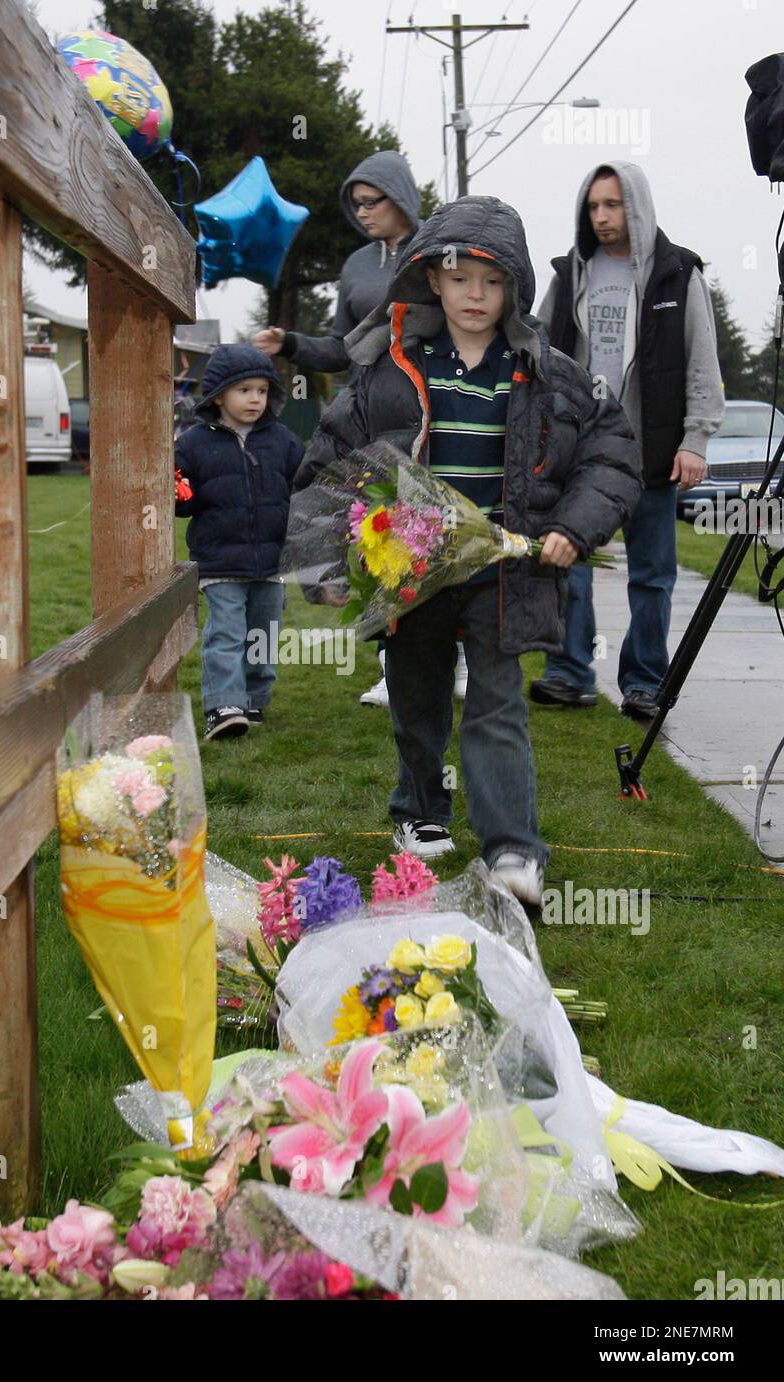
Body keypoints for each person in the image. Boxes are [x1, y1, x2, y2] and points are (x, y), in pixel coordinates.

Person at [294, 196, 641, 904]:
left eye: (490, 281)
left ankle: (513, 850)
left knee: (496, 706)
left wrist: (572, 529)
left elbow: (612, 453)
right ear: (431, 281)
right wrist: (327, 563)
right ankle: (421, 815)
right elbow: (328, 460)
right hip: (410, 575)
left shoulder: (549, 373)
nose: (474, 295)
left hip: (505, 573)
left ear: (512, 287)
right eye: (458, 280)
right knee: (415, 700)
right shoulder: (389, 368)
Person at [254, 151, 469, 706]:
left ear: (401, 196)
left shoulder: (437, 250)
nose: (363, 212)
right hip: (373, 416)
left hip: (435, 407)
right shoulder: (355, 266)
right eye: (356, 204)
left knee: (441, 531)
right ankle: (392, 664)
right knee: (381, 536)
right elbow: (342, 348)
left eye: (372, 201)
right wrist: (291, 344)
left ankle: (460, 658)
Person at [530, 162, 724, 719]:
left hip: (652, 449)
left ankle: (643, 683)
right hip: (582, 451)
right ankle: (570, 673)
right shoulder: (570, 274)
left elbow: (702, 362)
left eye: (612, 205)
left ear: (635, 205)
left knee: (652, 573)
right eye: (594, 206)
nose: (602, 216)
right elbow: (539, 349)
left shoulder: (676, 273)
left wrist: (696, 439)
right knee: (569, 559)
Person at [175, 345, 304, 741]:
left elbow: (303, 486)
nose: (254, 399)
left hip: (271, 560)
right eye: (244, 390)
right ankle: (223, 705)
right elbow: (184, 502)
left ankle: (253, 697)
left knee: (263, 634)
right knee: (227, 632)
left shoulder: (282, 440)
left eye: (262, 391)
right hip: (219, 560)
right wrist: (178, 492)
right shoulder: (194, 443)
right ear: (219, 395)